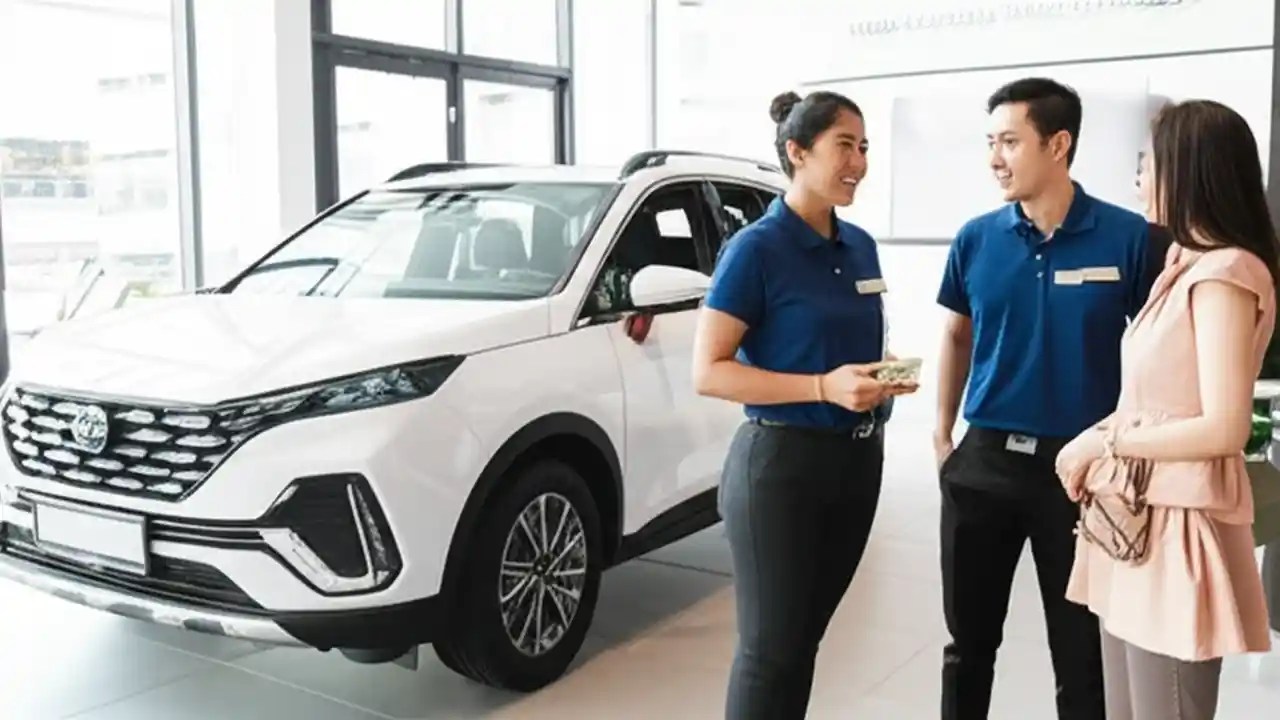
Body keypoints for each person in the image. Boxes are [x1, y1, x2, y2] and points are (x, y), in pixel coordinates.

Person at [932, 77, 1160, 720]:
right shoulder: (976, 238)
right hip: (983, 463)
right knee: (967, 644)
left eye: (1009, 141)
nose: (994, 158)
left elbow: (1154, 350)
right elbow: (955, 332)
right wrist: (943, 439)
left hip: (1081, 472)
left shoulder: (1128, 238)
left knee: (1082, 650)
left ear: (1058, 144)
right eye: (990, 142)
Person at [692, 89, 916, 719]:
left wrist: (880, 375)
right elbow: (709, 372)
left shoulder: (860, 246)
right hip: (781, 469)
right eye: (844, 145)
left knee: (801, 642)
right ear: (797, 151)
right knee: (770, 653)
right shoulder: (757, 249)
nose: (860, 161)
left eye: (865, 146)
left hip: (855, 463)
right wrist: (822, 387)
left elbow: (837, 342)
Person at [1055, 99, 1278, 720]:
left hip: (1180, 528)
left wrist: (1105, 444)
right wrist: (1096, 439)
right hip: (1135, 519)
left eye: (1149, 165)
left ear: (1189, 172)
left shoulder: (1225, 275)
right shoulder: (1183, 267)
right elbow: (1148, 400)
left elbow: (1223, 426)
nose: (1139, 179)